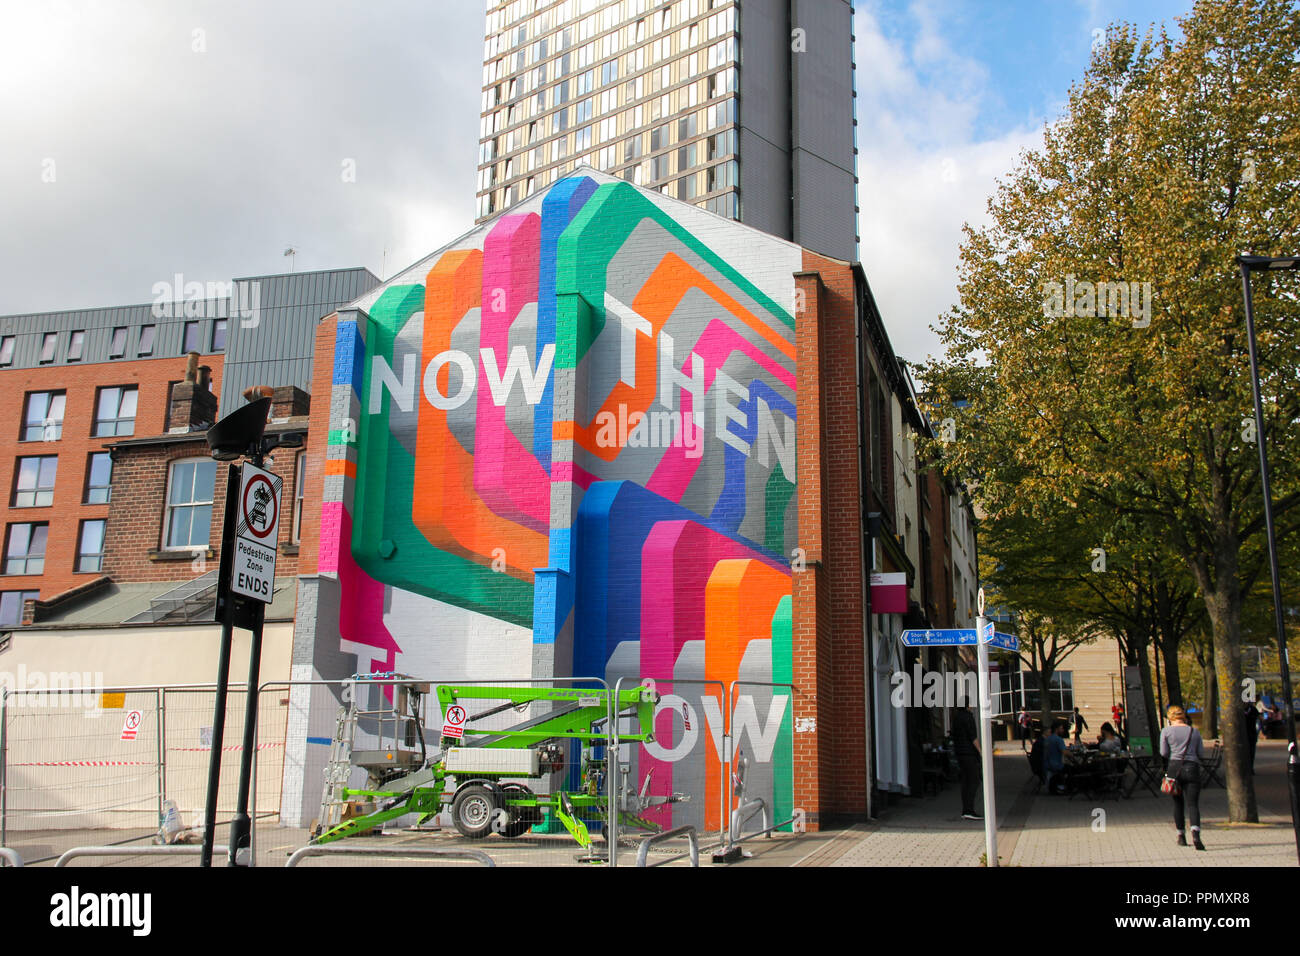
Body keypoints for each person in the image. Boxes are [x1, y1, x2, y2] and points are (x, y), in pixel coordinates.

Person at [1160, 704, 1206, 851]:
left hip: (1174, 769)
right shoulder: (1194, 731)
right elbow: (1201, 753)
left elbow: (1163, 753)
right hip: (1192, 768)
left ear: (1170, 717)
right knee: (1193, 804)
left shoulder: (1166, 731)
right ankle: (1196, 835)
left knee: (1178, 803)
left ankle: (1181, 836)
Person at [952, 705, 983, 820]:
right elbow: (973, 736)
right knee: (974, 780)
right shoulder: (968, 717)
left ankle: (966, 809)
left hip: (960, 753)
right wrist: (981, 752)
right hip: (969, 753)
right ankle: (969, 809)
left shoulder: (956, 718)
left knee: (965, 781)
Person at [1043, 720, 1068, 793]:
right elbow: (1065, 752)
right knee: (1072, 769)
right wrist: (1072, 755)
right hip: (1056, 765)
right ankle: (1063, 786)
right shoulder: (1058, 739)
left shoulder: (1047, 739)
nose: (1063, 730)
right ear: (1057, 729)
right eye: (1061, 728)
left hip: (1047, 764)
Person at [1243, 701, 1260, 774]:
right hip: (1243, 734)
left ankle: (1250, 768)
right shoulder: (1239, 710)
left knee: (1251, 752)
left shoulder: (1253, 710)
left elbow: (1257, 719)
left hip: (1251, 733)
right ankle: (1245, 768)